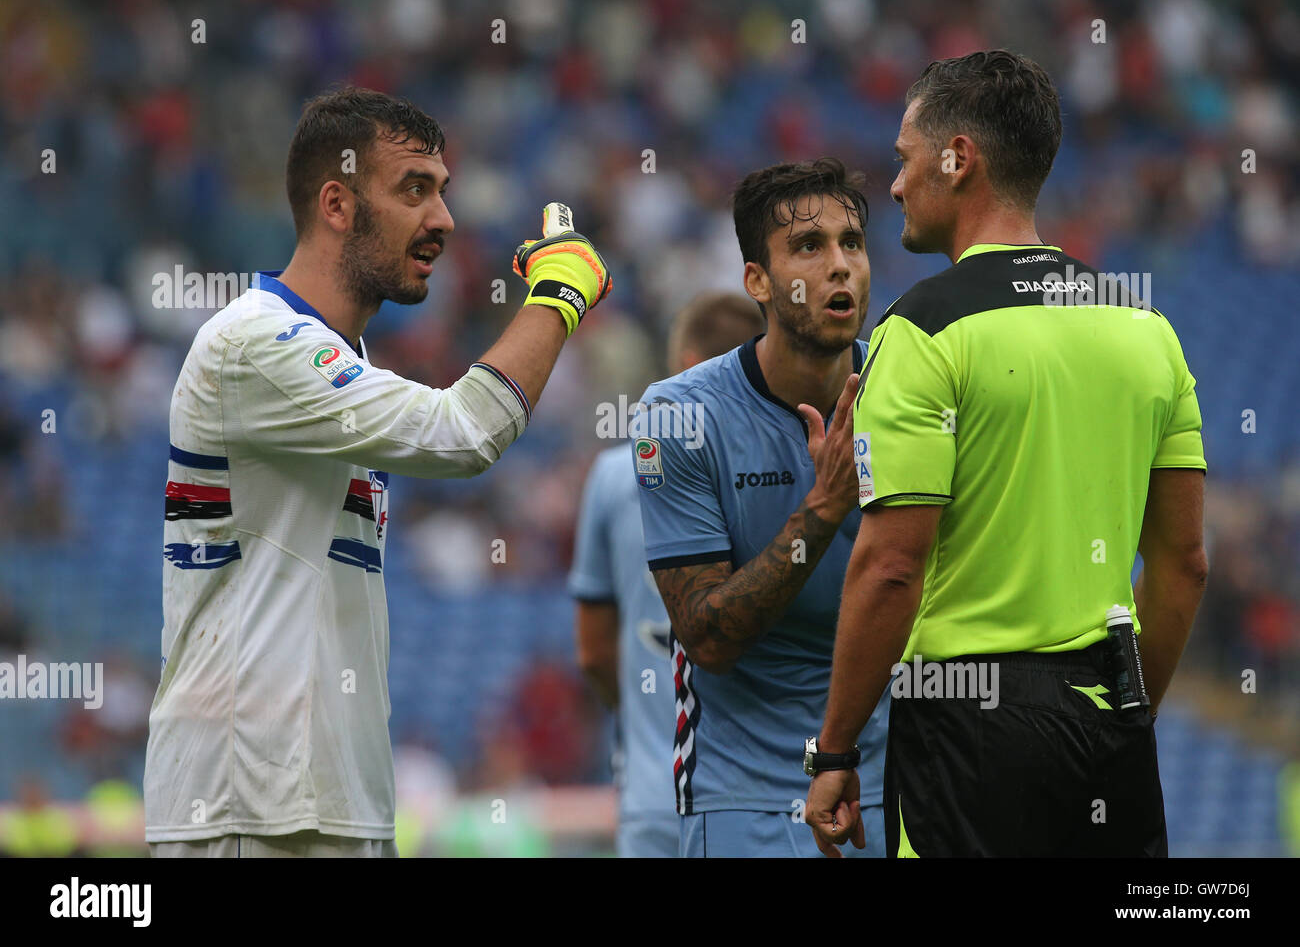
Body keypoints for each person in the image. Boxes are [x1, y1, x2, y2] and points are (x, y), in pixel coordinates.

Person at [144, 86, 612, 857]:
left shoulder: (340, 360)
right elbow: (461, 433)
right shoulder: (254, 344)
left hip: (329, 798)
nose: (444, 220)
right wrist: (557, 299)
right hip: (248, 804)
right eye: (414, 190)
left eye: (443, 192)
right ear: (337, 203)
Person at [807, 50, 1207, 858]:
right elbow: (1184, 566)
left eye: (904, 159)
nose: (892, 186)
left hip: (969, 730)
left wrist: (837, 751)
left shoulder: (920, 333)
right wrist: (1126, 716)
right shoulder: (1145, 328)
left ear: (959, 161)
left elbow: (890, 566)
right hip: (1112, 717)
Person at [635, 158, 890, 857]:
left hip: (894, 786)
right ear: (758, 281)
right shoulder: (679, 415)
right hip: (744, 796)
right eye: (809, 247)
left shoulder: (910, 396)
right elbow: (708, 638)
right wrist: (825, 508)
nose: (839, 265)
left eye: (852, 244)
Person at [570, 293, 765, 858]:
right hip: (761, 794)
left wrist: (644, 718)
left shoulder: (613, 474)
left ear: (684, 363)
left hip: (657, 793)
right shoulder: (792, 468)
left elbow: (592, 654)